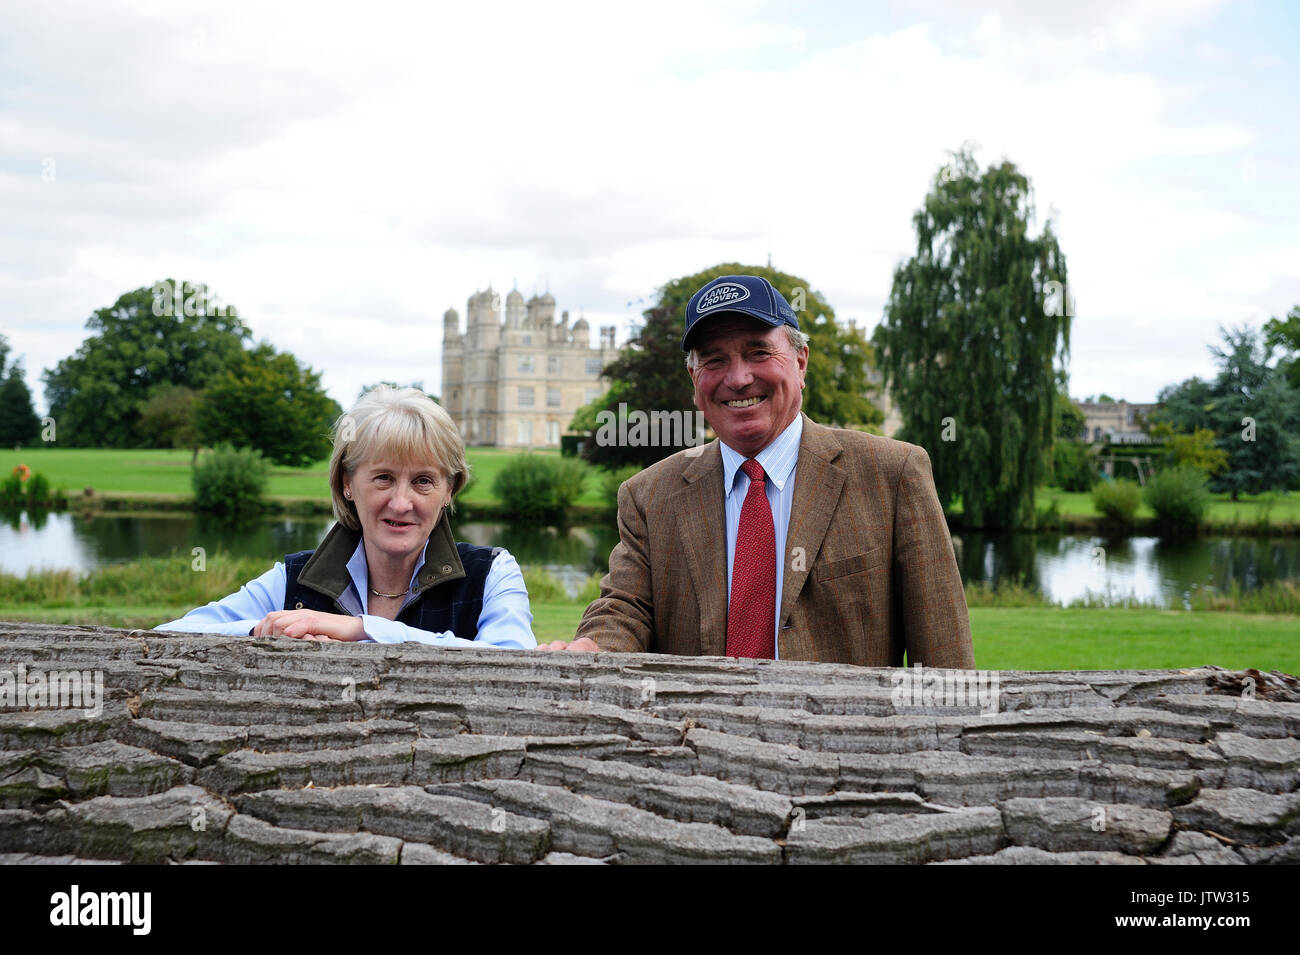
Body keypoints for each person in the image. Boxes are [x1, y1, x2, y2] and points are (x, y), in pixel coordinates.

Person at [543, 274, 973, 667]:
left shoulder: (891, 473)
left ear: (801, 362)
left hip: (847, 746)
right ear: (695, 381)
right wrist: (594, 647)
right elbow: (625, 609)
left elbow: (943, 653)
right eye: (714, 361)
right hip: (701, 744)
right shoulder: (649, 495)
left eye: (758, 352)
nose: (739, 377)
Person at [156, 386, 536, 648]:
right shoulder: (294, 579)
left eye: (423, 481)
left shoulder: (492, 572)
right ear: (347, 483)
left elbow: (515, 661)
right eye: (383, 478)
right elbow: (170, 634)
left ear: (449, 489)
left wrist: (361, 629)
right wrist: (263, 628)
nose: (401, 503)